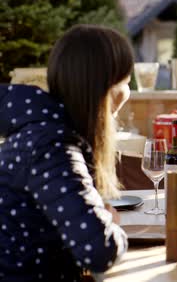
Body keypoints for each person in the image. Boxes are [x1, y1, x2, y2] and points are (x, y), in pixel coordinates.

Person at [0, 25, 131, 280]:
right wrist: (112, 224)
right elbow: (99, 251)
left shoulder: (45, 133)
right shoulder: (52, 148)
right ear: (103, 88)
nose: (127, 93)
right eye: (125, 82)